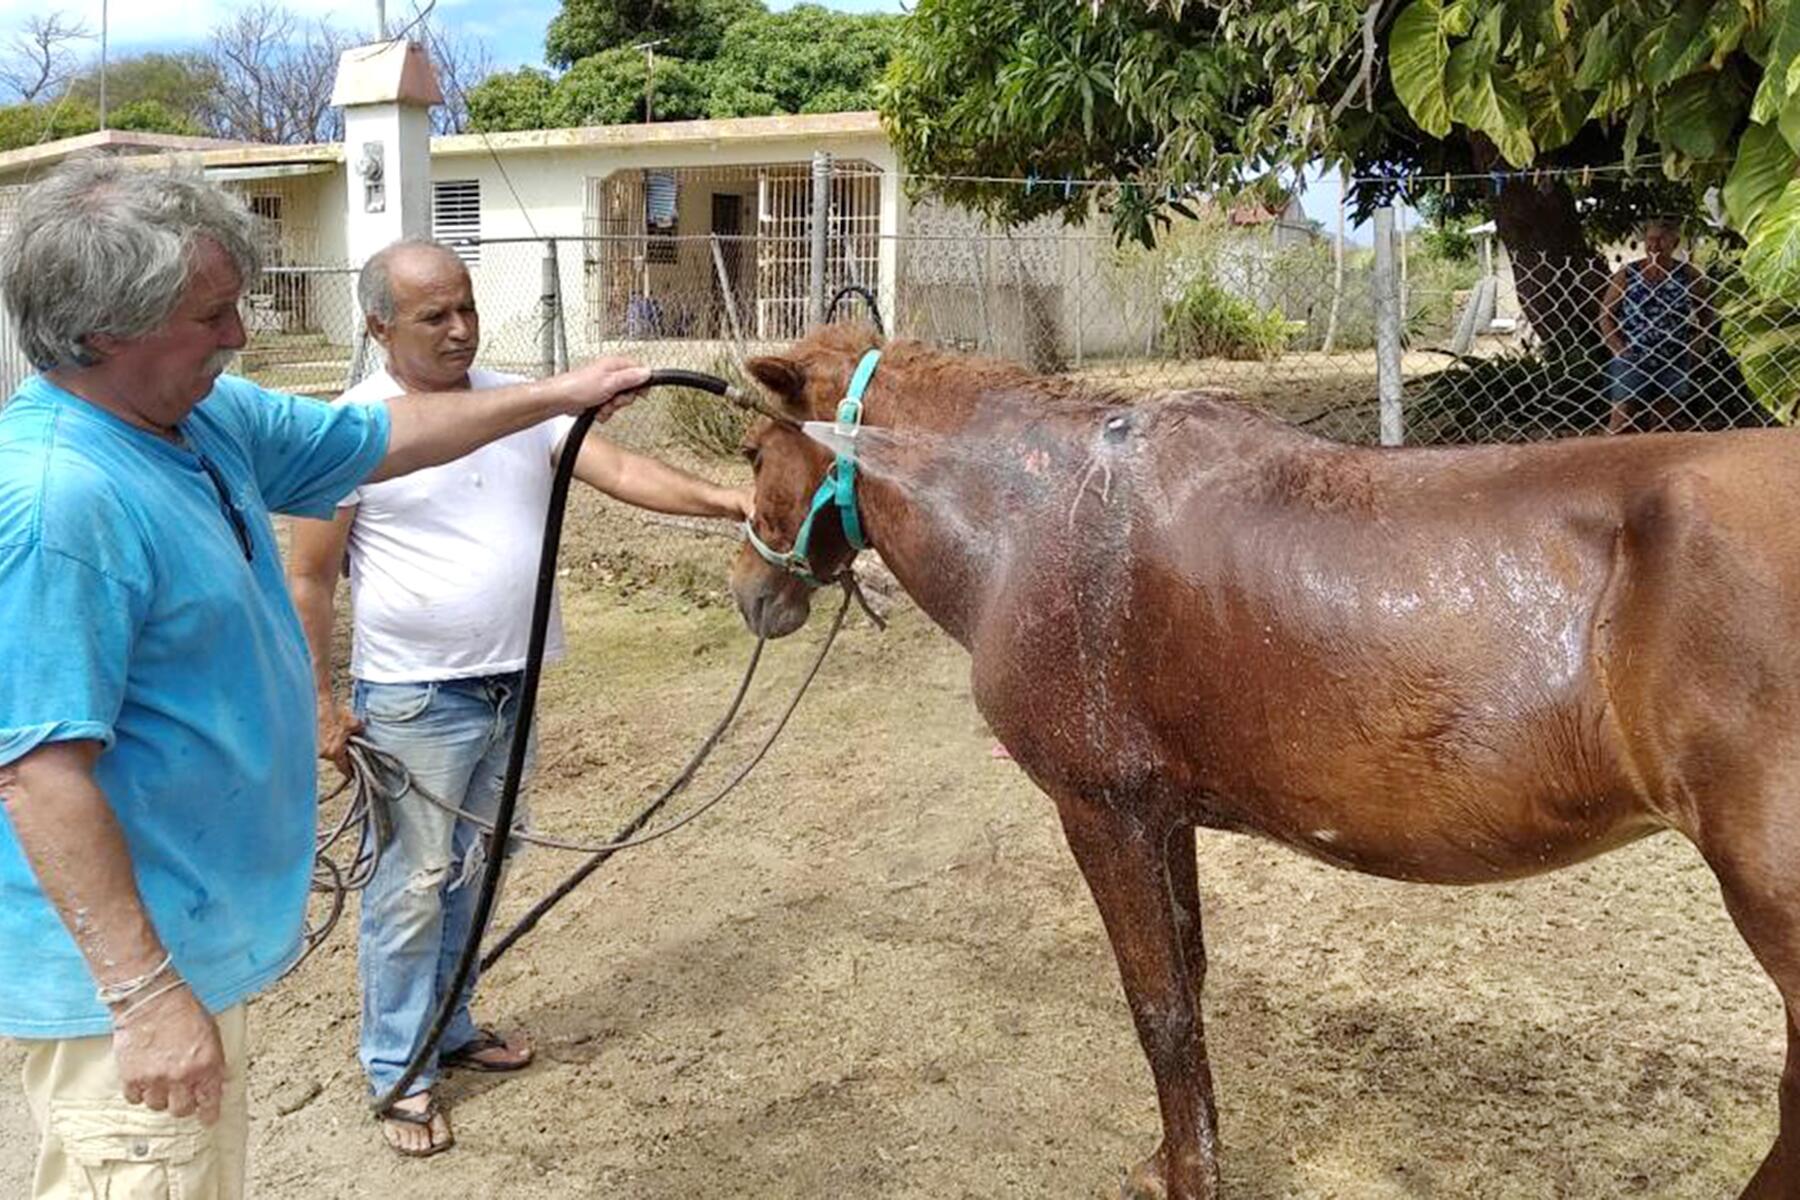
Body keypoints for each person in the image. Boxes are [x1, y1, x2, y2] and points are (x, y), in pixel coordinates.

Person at [0, 157, 648, 1200]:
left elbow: (381, 434)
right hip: (128, 980)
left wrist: (562, 394)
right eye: (212, 315)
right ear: (107, 330)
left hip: (196, 936)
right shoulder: (59, 503)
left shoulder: (199, 424)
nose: (239, 337)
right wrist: (143, 996)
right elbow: (37, 774)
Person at [285, 238, 751, 1158]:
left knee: (476, 871)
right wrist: (321, 705)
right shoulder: (349, 428)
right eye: (434, 316)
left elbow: (618, 471)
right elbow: (308, 579)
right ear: (379, 324)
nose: (460, 329)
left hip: (516, 684)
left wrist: (730, 501)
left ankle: (449, 1027)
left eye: (466, 307)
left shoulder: (517, 402)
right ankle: (399, 1069)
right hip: (414, 701)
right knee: (411, 886)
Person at [1597, 217, 1712, 433]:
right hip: (1633, 353)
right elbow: (1605, 315)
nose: (1654, 246)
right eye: (1650, 240)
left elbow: (1706, 311)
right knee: (1621, 419)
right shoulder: (1628, 274)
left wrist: (1699, 340)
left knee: (1664, 421)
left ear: (1674, 243)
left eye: (1661, 240)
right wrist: (1618, 348)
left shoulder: (1687, 275)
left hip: (1673, 354)